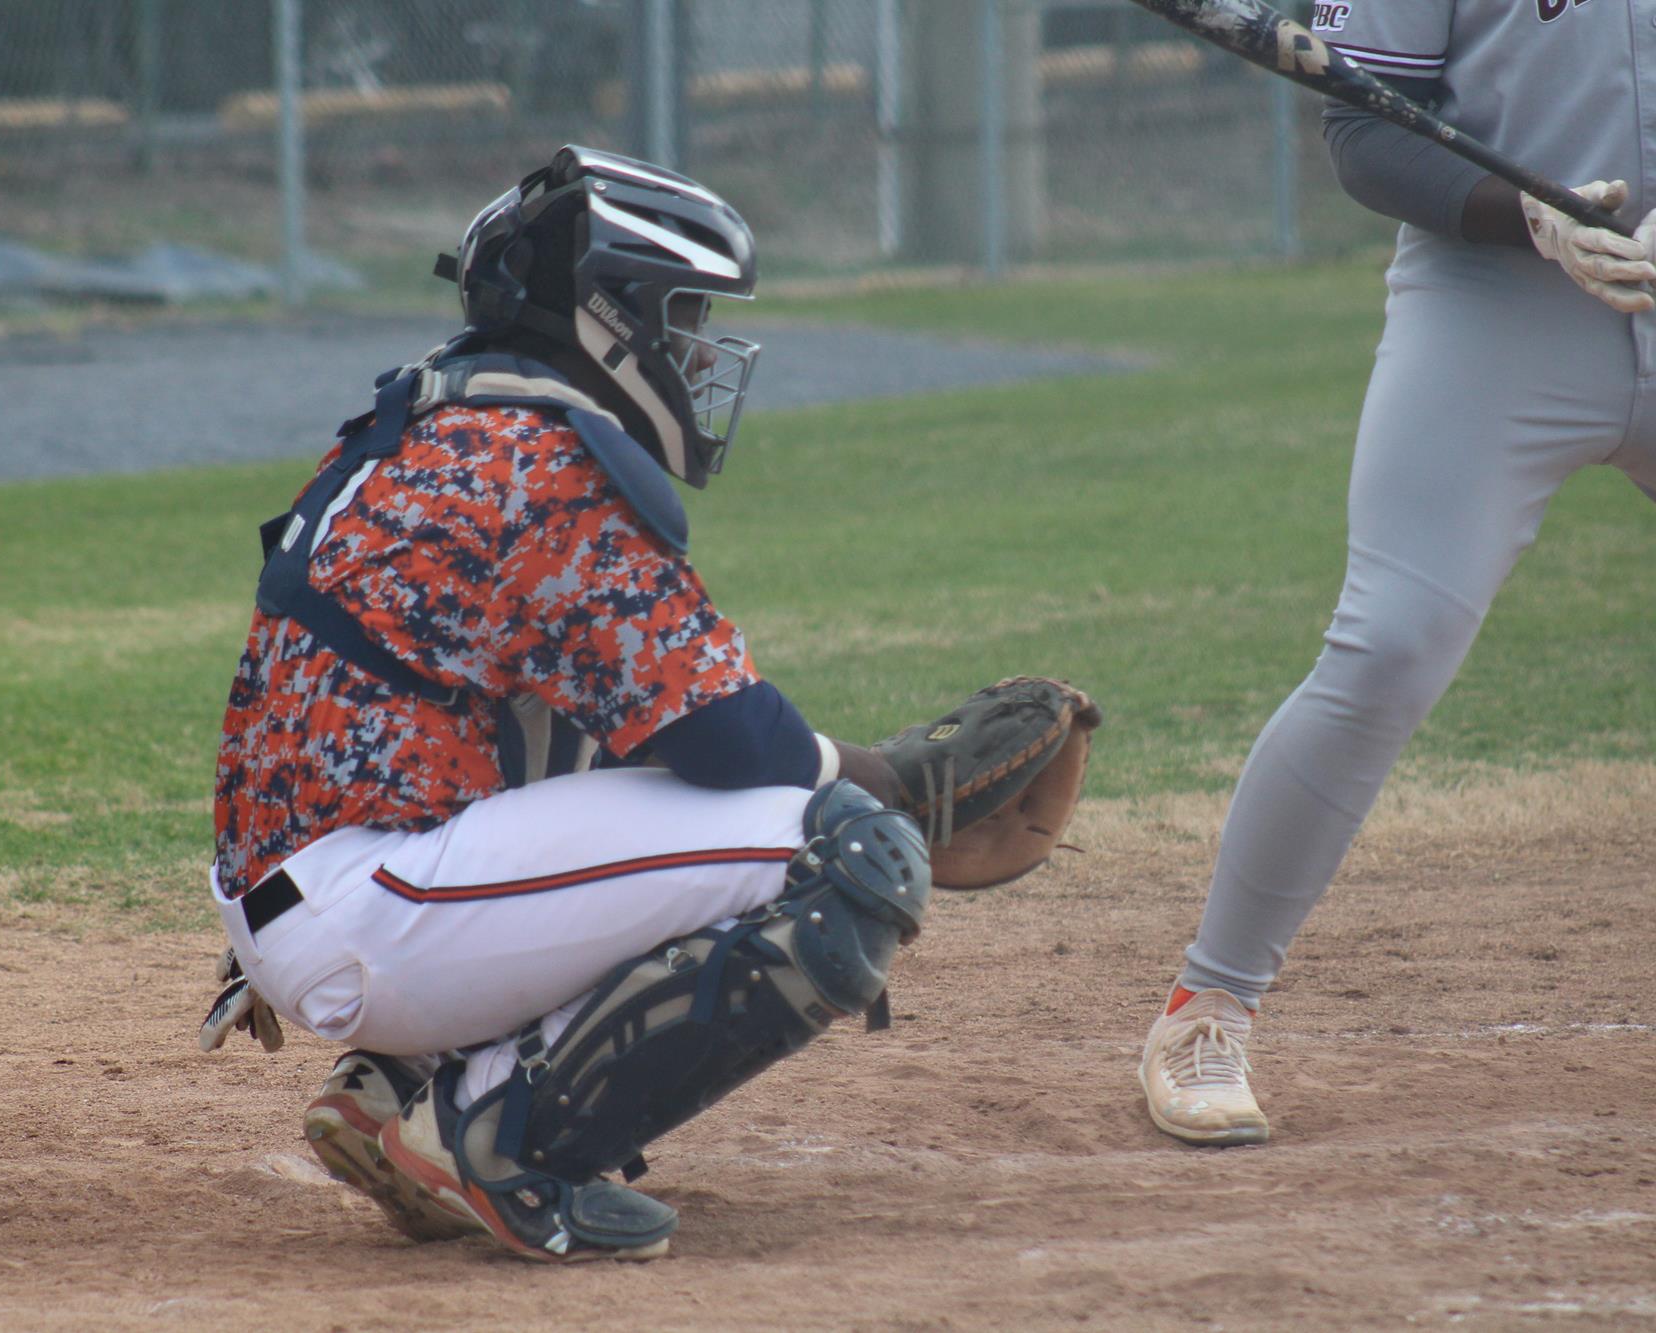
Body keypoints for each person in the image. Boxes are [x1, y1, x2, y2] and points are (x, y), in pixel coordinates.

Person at [202, 145, 1095, 1261]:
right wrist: (897, 784)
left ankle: (393, 1086)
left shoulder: (440, 413)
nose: (697, 348)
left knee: (590, 745)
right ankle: (494, 1135)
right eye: (678, 315)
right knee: (849, 855)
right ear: (602, 315)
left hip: (307, 892)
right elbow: (729, 738)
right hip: (375, 907)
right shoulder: (542, 454)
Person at [1137, 0, 1656, 1145]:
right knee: (1387, 644)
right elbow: (1367, 130)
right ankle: (1206, 1004)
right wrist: (1523, 211)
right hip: (1497, 312)